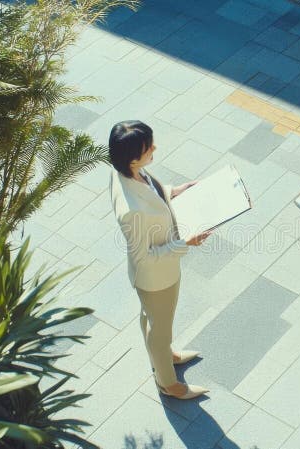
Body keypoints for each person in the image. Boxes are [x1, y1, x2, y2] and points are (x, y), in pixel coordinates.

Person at [109, 120, 212, 400]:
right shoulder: (131, 212)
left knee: (155, 320)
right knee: (160, 326)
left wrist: (175, 191)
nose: (154, 148)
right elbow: (145, 257)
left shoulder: (127, 171)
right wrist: (186, 243)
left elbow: (152, 191)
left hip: (161, 274)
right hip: (156, 279)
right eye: (148, 147)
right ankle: (169, 383)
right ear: (132, 157)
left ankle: (166, 355)